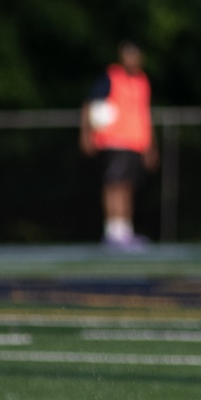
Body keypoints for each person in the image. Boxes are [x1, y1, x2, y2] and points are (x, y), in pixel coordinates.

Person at [80, 41, 155, 250]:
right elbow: (90, 103)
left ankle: (125, 231)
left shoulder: (142, 81)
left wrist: (150, 146)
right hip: (113, 141)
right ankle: (113, 232)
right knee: (114, 184)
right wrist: (86, 134)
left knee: (127, 186)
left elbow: (144, 114)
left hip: (135, 143)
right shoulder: (111, 76)